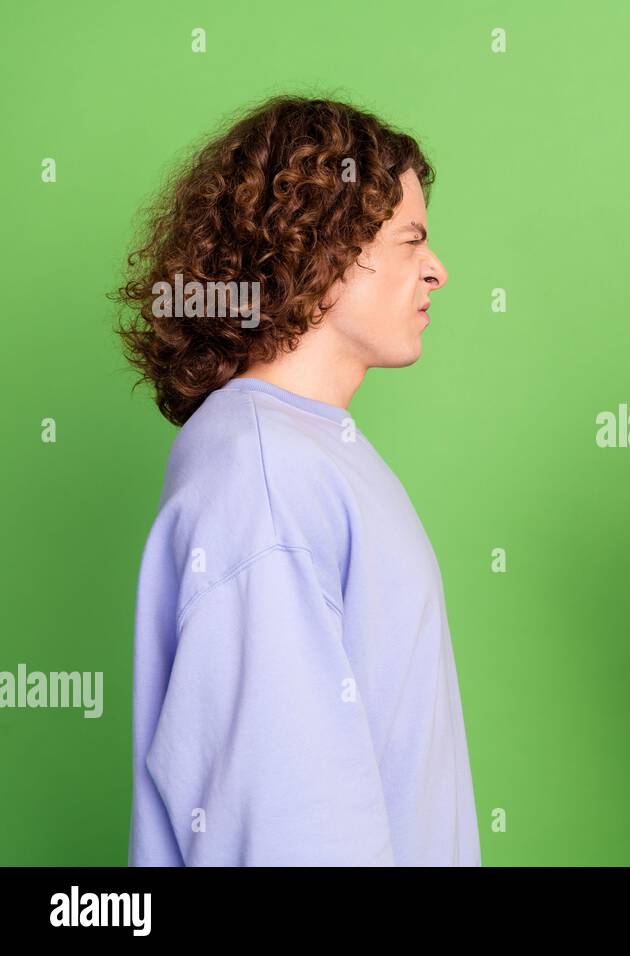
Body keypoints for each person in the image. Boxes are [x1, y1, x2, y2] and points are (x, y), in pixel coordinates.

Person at [114, 95, 479, 865]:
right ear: (324, 249)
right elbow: (289, 826)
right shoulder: (267, 471)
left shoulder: (306, 452)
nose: (437, 268)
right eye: (412, 239)